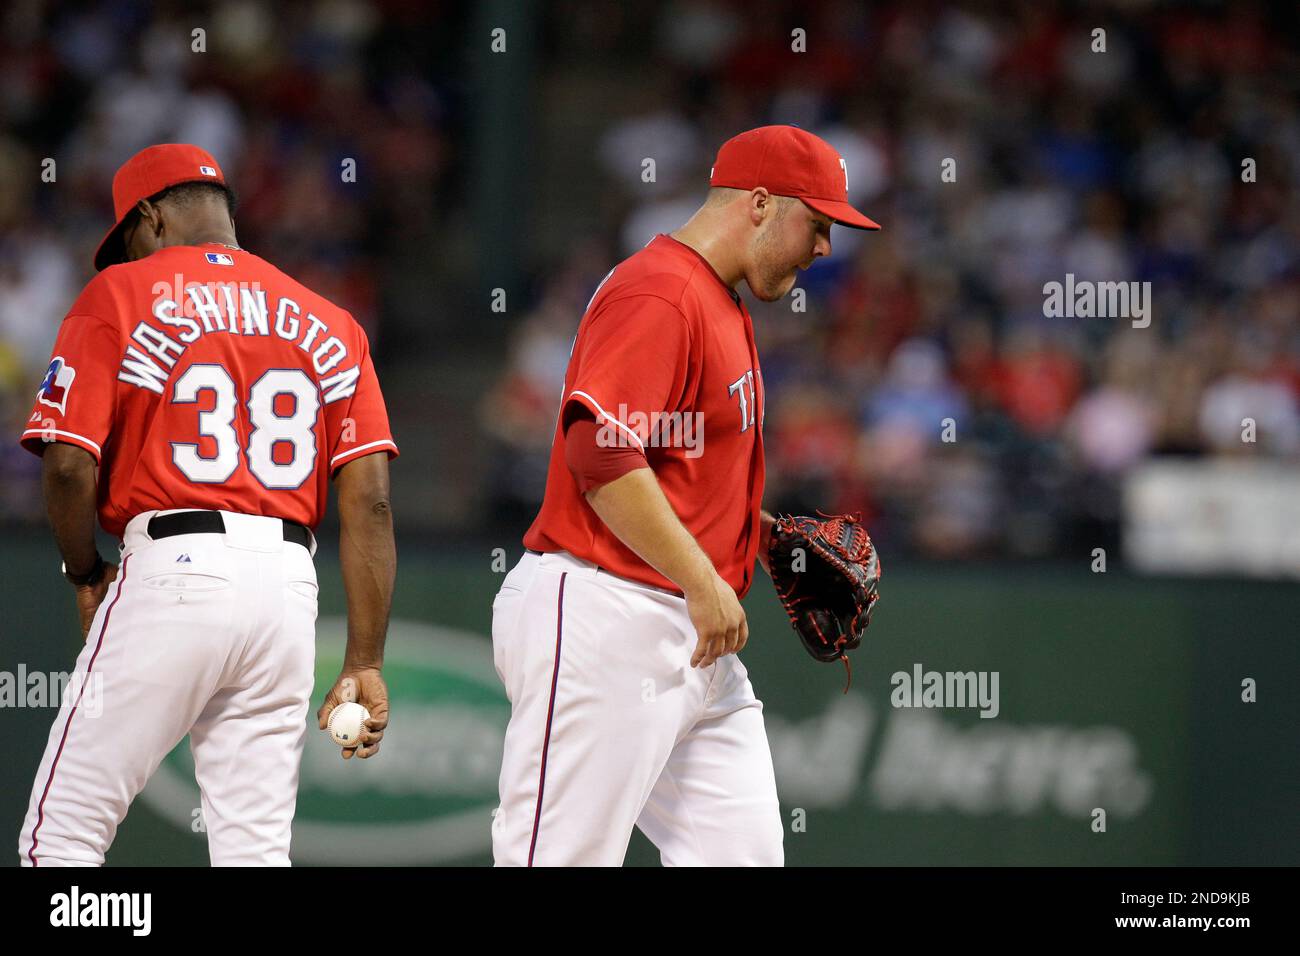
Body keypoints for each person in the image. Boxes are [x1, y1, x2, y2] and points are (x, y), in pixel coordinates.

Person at [490, 125, 880, 866]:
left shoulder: (715, 298)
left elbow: (671, 460)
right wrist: (703, 577)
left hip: (693, 632)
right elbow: (597, 452)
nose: (825, 248)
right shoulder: (661, 291)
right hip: (608, 610)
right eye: (819, 224)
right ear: (760, 203)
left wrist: (754, 534)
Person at [17, 144, 398, 866]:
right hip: (288, 591)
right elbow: (372, 503)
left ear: (151, 217)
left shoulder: (119, 294)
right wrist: (365, 659)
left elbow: (68, 466)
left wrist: (83, 572)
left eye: (126, 238)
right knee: (253, 853)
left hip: (175, 567)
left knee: (62, 834)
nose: (125, 257)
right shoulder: (331, 319)